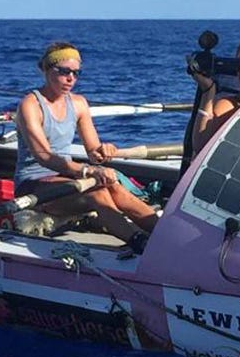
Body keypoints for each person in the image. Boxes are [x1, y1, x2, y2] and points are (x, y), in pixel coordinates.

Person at [14, 42, 159, 248]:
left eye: (76, 73)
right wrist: (87, 170)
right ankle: (141, 243)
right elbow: (44, 157)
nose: (71, 78)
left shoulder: (79, 103)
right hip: (32, 183)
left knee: (112, 186)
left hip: (65, 177)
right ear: (47, 69)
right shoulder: (30, 105)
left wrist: (104, 151)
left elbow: (94, 153)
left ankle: (165, 234)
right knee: (97, 193)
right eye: (64, 71)